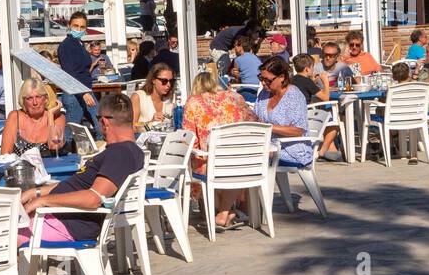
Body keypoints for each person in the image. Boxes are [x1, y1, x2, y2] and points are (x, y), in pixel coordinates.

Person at [19, 92, 144, 246]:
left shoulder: (119, 155)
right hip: (58, 218)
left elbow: (93, 199)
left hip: (64, 224)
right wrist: (36, 192)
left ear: (104, 122)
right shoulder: (129, 151)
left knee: (1, 233)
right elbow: (77, 184)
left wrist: (43, 201)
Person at [182, 69, 259, 222]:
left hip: (213, 163)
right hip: (242, 161)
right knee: (230, 162)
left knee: (195, 161)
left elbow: (189, 138)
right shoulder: (235, 97)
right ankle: (227, 211)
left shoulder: (194, 102)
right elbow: (255, 121)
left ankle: (218, 212)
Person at [254, 55, 313, 175]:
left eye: (268, 80)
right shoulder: (264, 94)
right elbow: (255, 118)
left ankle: (255, 192)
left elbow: (298, 131)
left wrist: (267, 127)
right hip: (269, 145)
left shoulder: (294, 96)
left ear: (281, 77)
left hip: (292, 151)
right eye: (261, 78)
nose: (263, 83)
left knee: (251, 157)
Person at [57, 12, 102, 139]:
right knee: (71, 132)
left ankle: (100, 154)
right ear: (69, 25)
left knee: (100, 124)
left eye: (82, 27)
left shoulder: (79, 43)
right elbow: (69, 72)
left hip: (84, 91)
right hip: (76, 93)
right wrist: (83, 92)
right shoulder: (67, 46)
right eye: (76, 26)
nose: (79, 29)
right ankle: (58, 152)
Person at [1, 78, 68, 157]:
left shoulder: (58, 117)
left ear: (46, 99)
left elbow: (54, 147)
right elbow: (5, 154)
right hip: (23, 168)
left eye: (38, 97)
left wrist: (50, 115)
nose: (35, 102)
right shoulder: (15, 117)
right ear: (23, 101)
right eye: (29, 98)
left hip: (50, 168)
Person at [132, 63, 176, 133]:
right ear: (153, 80)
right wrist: (151, 123)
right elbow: (132, 128)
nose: (169, 85)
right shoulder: (138, 97)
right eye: (164, 81)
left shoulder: (170, 97)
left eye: (171, 81)